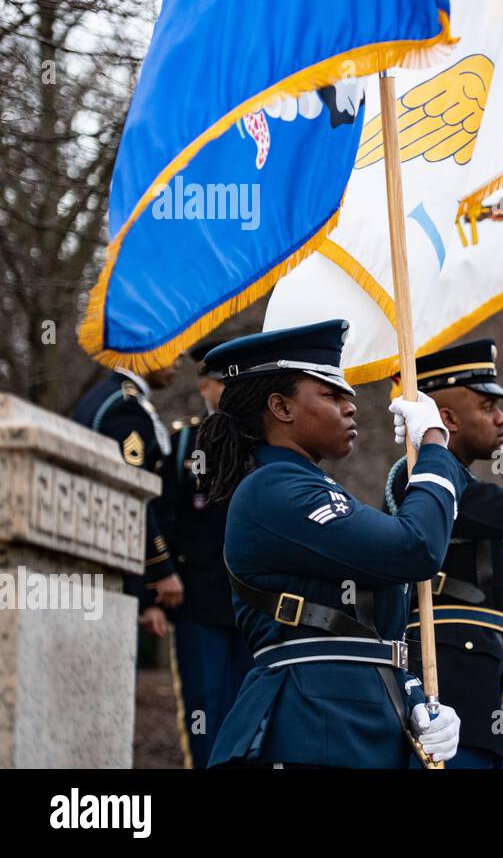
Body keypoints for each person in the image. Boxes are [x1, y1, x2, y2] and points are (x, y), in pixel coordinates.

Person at [202, 319, 464, 768]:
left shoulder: (312, 488)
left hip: (355, 721)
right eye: (332, 394)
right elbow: (416, 548)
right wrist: (436, 445)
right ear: (281, 407)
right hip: (314, 724)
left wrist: (412, 694)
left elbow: (371, 626)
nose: (351, 407)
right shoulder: (275, 490)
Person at [383, 339, 503, 768]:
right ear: (446, 418)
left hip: (477, 701)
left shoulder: (458, 484)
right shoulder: (423, 481)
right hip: (444, 700)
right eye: (487, 407)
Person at [154, 341, 253, 768]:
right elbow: (158, 512)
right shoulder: (182, 444)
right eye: (219, 382)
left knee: (249, 705)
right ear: (204, 386)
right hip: (196, 599)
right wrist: (160, 576)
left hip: (253, 602)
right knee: (204, 704)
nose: (226, 391)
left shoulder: (261, 443)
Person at [72, 354, 182, 635]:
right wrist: (161, 570)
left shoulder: (103, 396)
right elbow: (133, 494)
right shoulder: (126, 408)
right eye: (172, 352)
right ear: (146, 353)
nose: (178, 361)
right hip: (110, 563)